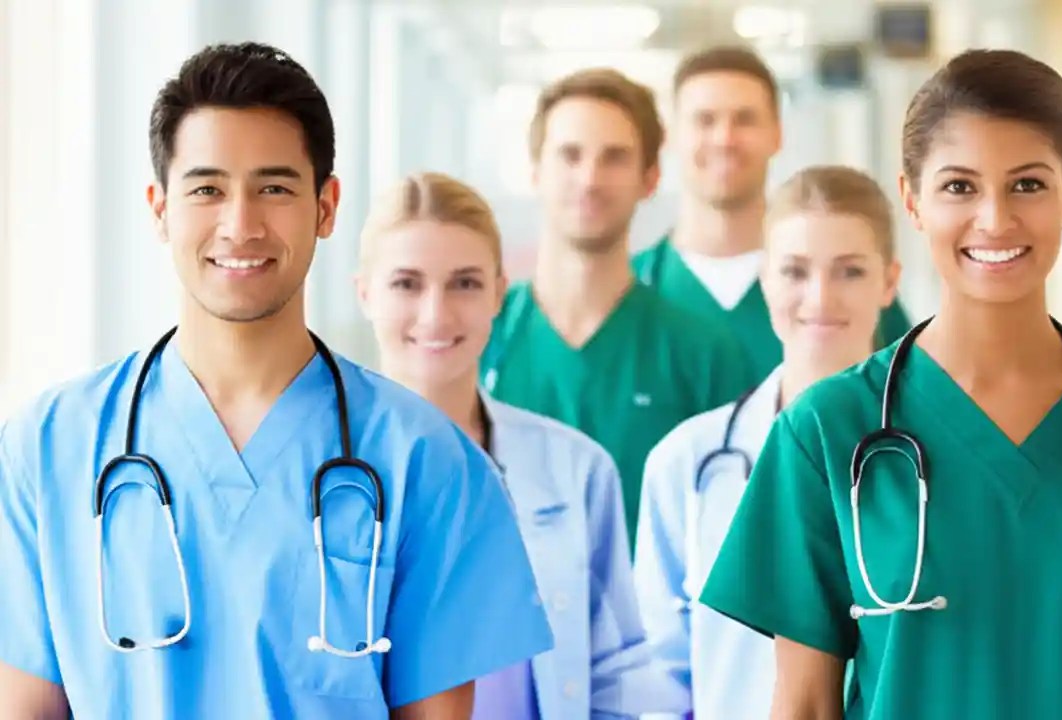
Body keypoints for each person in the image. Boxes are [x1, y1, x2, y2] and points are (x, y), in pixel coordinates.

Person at [698, 48, 1062, 720]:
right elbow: (804, 703)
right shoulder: (827, 431)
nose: (995, 219)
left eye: (1028, 184)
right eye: (959, 187)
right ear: (913, 200)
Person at [0, 42, 553, 719]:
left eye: (274, 188)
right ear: (160, 208)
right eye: (207, 189)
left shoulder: (427, 462)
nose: (240, 225)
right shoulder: (47, 449)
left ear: (325, 206)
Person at [355, 171, 682, 719]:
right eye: (407, 284)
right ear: (365, 293)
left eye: (464, 283)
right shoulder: (314, 467)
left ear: (499, 293)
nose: (436, 314)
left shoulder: (575, 469)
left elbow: (616, 677)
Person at [633, 165, 901, 719]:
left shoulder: (933, 453)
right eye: (795, 271)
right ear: (764, 279)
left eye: (850, 271)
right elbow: (659, 681)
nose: (820, 297)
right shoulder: (687, 462)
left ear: (889, 282)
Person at [480, 68, 751, 546]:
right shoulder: (481, 334)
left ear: (651, 178)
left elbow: (734, 533)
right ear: (535, 171)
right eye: (570, 155)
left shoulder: (703, 354)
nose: (590, 179)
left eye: (615, 158)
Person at [631, 45, 913, 388]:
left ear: (777, 134)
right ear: (671, 137)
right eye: (705, 120)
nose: (724, 138)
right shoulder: (632, 289)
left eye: (745, 119)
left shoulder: (854, 286)